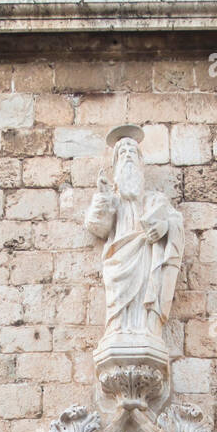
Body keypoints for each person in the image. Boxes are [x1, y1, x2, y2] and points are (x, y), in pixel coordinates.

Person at [85, 133, 184, 346]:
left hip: (146, 258)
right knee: (118, 300)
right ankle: (117, 329)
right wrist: (102, 196)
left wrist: (164, 227)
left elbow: (175, 221)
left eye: (132, 152)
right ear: (116, 164)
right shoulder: (111, 199)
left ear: (140, 163)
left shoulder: (155, 200)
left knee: (145, 292)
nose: (128, 155)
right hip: (119, 260)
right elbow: (97, 227)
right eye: (122, 153)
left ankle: (147, 328)